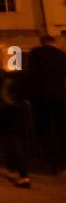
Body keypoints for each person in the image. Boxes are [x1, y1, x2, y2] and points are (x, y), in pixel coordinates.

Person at [0, 43, 31, 187]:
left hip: (1, 111)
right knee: (11, 139)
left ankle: (23, 175)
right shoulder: (16, 72)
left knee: (10, 141)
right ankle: (11, 169)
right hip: (15, 109)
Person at [24, 34, 66, 174]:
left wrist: (29, 95)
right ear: (52, 42)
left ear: (42, 42)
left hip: (41, 98)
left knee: (44, 129)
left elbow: (31, 75)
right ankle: (63, 160)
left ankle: (52, 161)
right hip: (59, 97)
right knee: (61, 127)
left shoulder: (36, 53)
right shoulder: (61, 55)